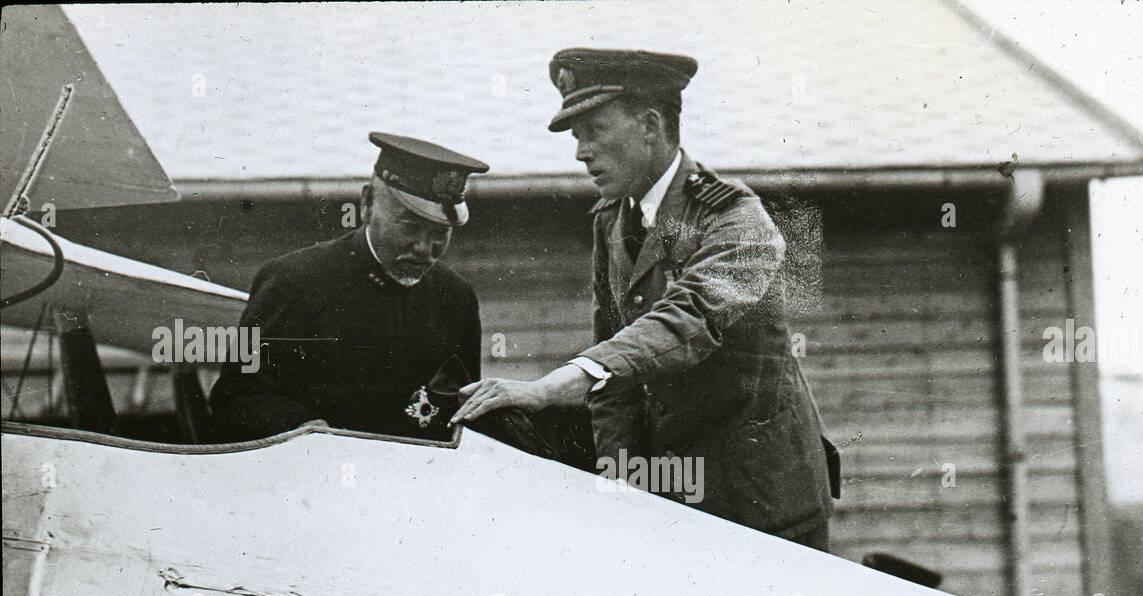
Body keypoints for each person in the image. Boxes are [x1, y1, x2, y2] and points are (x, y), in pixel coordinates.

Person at [451, 49, 838, 550]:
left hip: (761, 504)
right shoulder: (611, 221)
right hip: (674, 498)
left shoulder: (735, 218)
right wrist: (622, 488)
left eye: (594, 132)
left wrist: (550, 387)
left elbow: (688, 317)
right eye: (576, 137)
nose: (580, 152)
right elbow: (615, 375)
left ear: (650, 124)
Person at [209, 133, 487, 441]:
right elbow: (237, 395)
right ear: (367, 203)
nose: (424, 247)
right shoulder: (291, 281)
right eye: (410, 226)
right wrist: (309, 430)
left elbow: (461, 410)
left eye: (440, 232)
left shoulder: (456, 297)